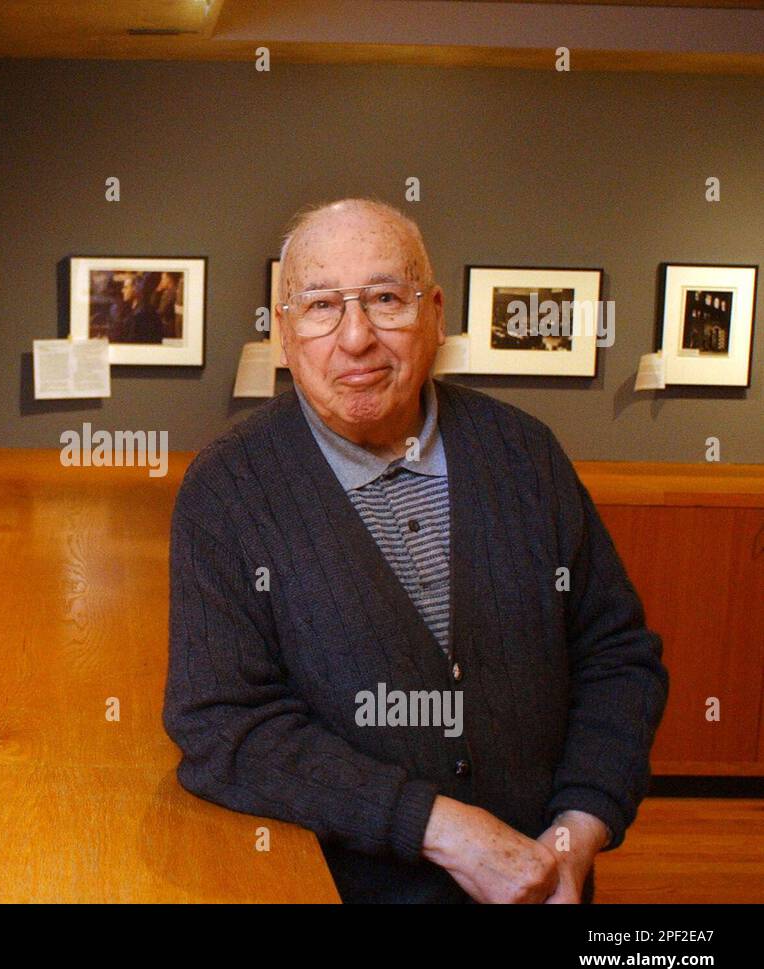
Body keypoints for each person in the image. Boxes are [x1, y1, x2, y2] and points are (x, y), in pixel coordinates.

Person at [162, 197, 669, 903]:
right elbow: (224, 726)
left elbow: (618, 658)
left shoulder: (525, 454)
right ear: (283, 332)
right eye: (320, 306)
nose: (357, 336)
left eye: (385, 299)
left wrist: (573, 837)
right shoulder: (227, 489)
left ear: (434, 312)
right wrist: (443, 829)